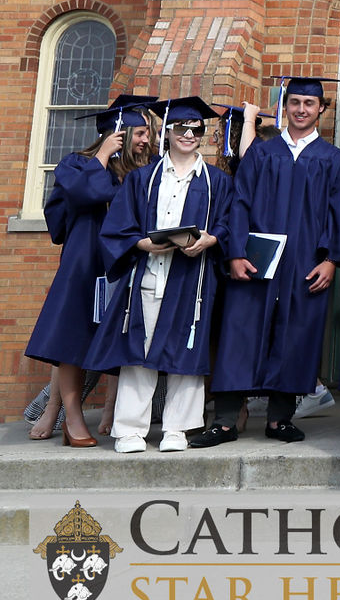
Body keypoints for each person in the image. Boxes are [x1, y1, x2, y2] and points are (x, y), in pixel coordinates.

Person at [194, 76, 340, 447]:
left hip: (306, 262)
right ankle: (225, 420)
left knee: (296, 333)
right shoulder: (262, 154)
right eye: (295, 102)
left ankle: (280, 419)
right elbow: (240, 204)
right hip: (256, 260)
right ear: (285, 106)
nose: (301, 109)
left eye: (309, 104)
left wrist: (332, 259)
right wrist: (235, 253)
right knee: (241, 331)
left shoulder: (335, 160)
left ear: (321, 110)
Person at [88, 97, 235, 454]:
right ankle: (129, 430)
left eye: (195, 129)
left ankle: (177, 429)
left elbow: (229, 224)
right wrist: (141, 244)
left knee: (188, 352)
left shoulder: (217, 181)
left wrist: (210, 239)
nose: (188, 134)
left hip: (193, 278)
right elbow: (117, 227)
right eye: (180, 128)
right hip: (150, 275)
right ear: (166, 131)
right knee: (140, 349)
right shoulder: (142, 179)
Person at [25, 95, 155, 444]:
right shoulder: (77, 164)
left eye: (148, 134)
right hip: (84, 261)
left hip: (124, 261)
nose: (146, 140)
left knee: (118, 334)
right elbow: (81, 197)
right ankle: (70, 417)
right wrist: (101, 157)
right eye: (140, 133)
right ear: (118, 135)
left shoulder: (145, 172)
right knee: (72, 337)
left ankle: (111, 408)